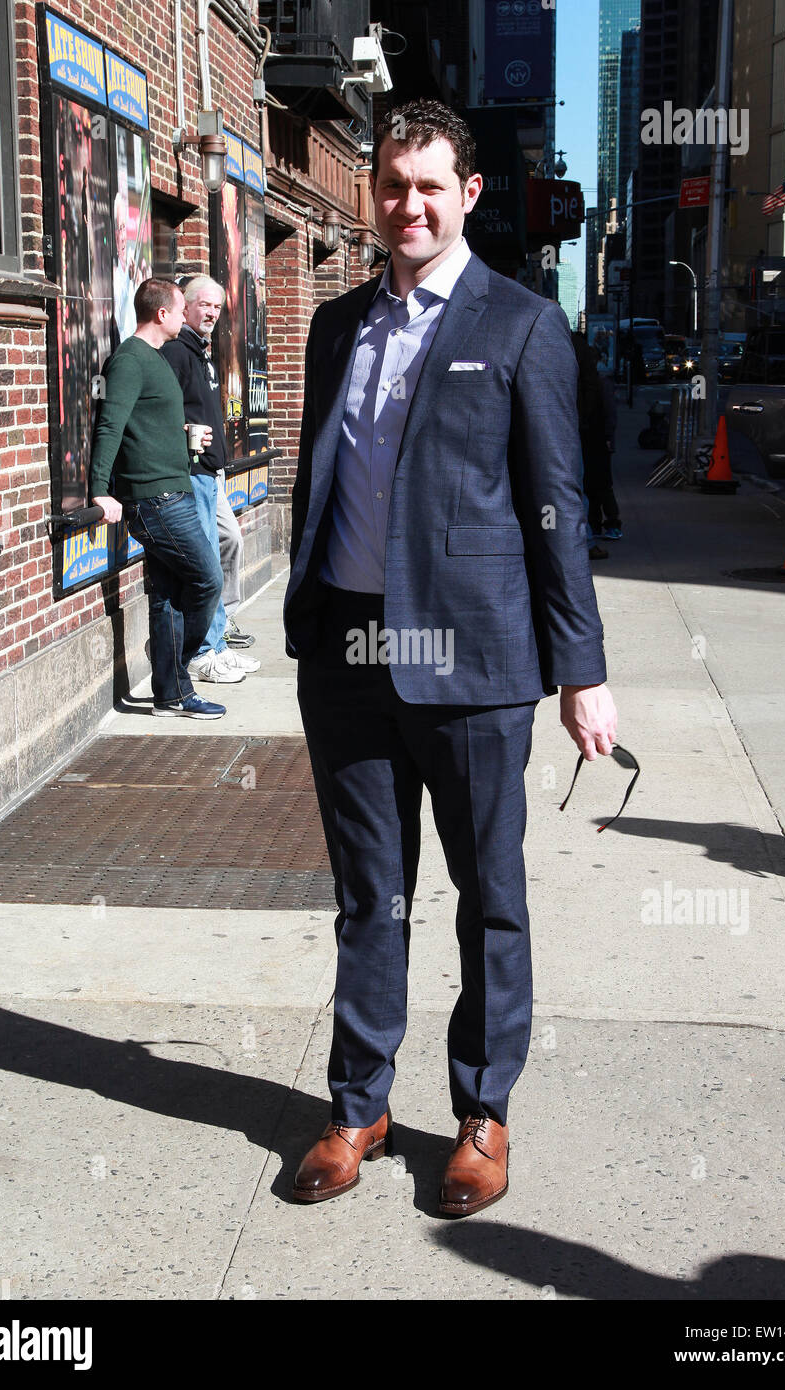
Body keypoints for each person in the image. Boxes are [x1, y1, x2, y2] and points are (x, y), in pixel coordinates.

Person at [284, 99, 617, 1216]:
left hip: (471, 662)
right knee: (368, 896)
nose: (408, 205)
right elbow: (318, 478)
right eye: (391, 185)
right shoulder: (336, 324)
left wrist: (582, 669)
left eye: (430, 185)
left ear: (468, 193)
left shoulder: (520, 324)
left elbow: (557, 505)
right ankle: (358, 1104)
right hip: (349, 652)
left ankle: (482, 1110)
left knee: (491, 896)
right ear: (370, 193)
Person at [90, 278, 226, 719]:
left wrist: (187, 435)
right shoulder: (129, 360)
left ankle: (170, 694)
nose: (189, 314)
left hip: (174, 488)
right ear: (162, 314)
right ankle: (176, 666)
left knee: (168, 597)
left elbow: (144, 424)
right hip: (156, 499)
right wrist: (99, 490)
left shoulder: (155, 360)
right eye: (181, 307)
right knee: (208, 579)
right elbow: (109, 425)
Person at [160, 275, 260, 681]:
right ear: (186, 306)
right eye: (205, 305)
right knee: (206, 566)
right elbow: (159, 410)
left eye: (218, 308)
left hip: (212, 473)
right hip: (192, 472)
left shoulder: (201, 352)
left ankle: (217, 640)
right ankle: (203, 651)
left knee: (228, 546)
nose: (213, 314)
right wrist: (185, 433)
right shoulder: (175, 352)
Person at [572, 330, 621, 552]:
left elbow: (607, 412)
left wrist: (608, 437)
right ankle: (596, 526)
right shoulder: (593, 382)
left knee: (598, 485)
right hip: (586, 433)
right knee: (591, 485)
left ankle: (608, 524)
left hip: (592, 435)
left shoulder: (600, 384)